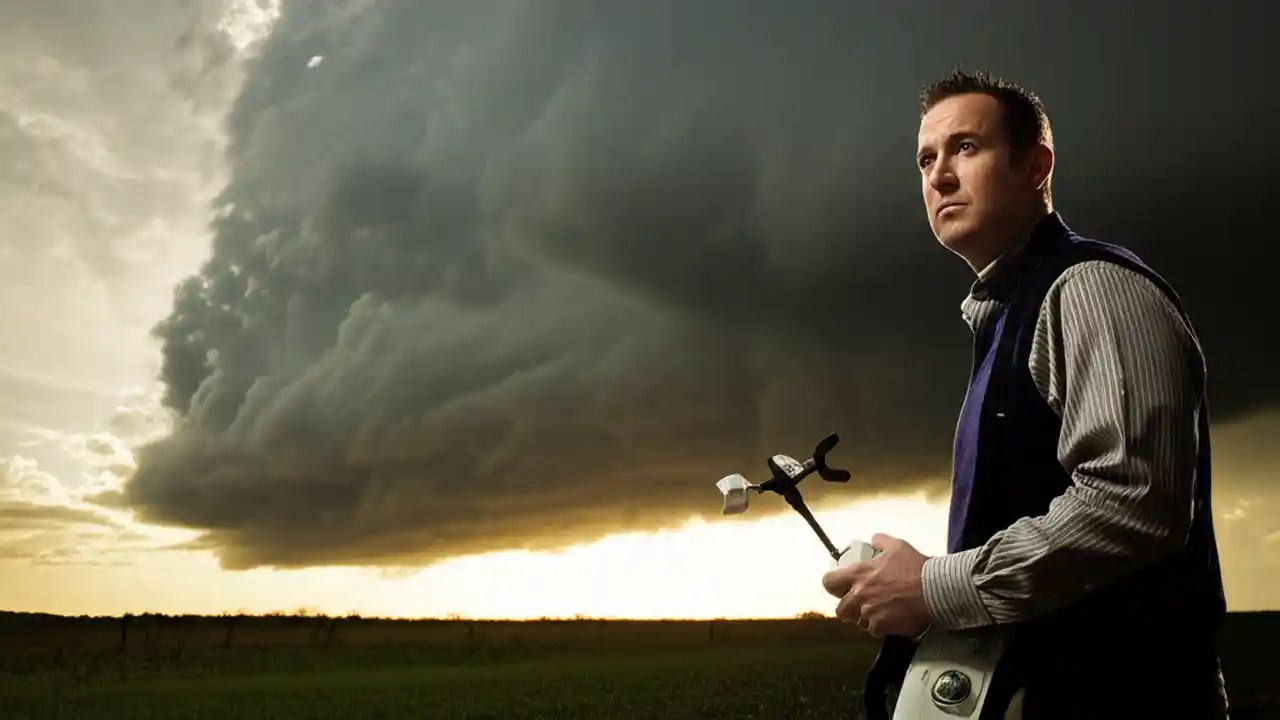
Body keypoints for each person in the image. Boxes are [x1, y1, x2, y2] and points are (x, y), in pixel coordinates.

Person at [821, 69, 1230, 718]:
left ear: (1036, 165)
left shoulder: (1092, 287)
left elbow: (1135, 502)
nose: (939, 176)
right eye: (926, 159)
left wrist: (932, 585)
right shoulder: (1006, 316)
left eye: (965, 148)